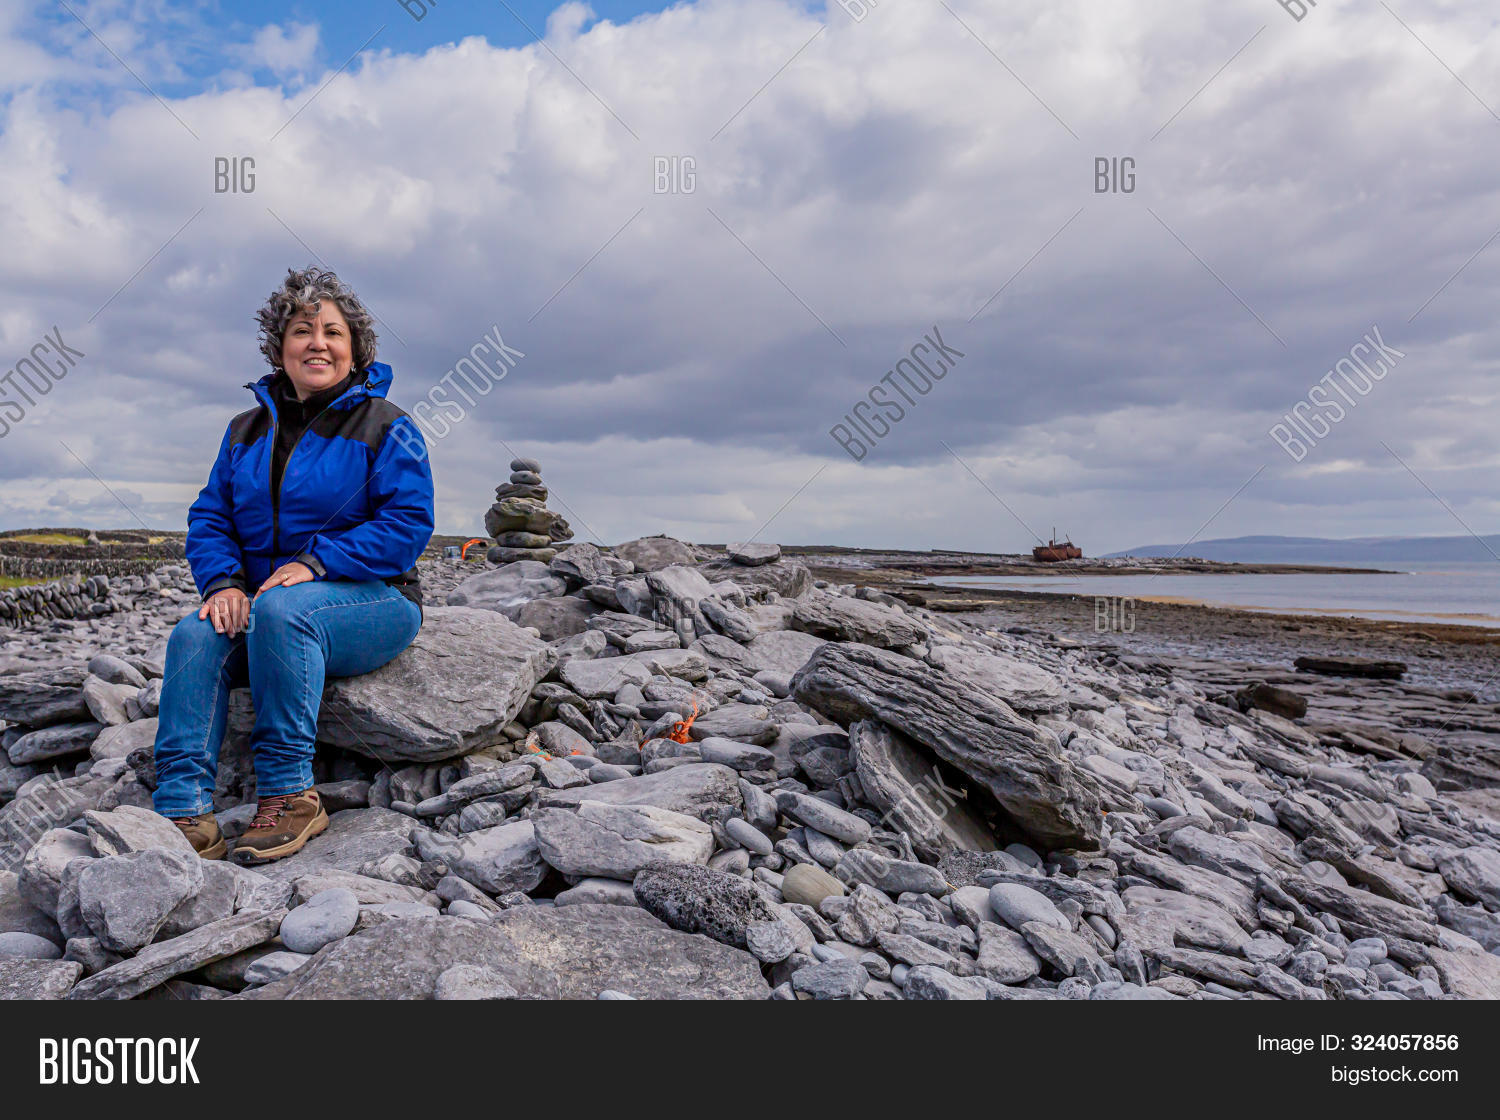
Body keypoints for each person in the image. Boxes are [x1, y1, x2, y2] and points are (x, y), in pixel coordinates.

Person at [152, 266, 435, 865]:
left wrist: (317, 561)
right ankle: (182, 811)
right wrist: (224, 583)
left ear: (355, 349)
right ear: (279, 347)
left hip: (374, 601)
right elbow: (211, 517)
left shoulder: (389, 426)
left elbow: (407, 526)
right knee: (194, 634)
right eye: (302, 331)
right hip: (266, 606)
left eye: (333, 332)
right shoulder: (244, 430)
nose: (317, 343)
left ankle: (289, 795)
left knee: (284, 610)